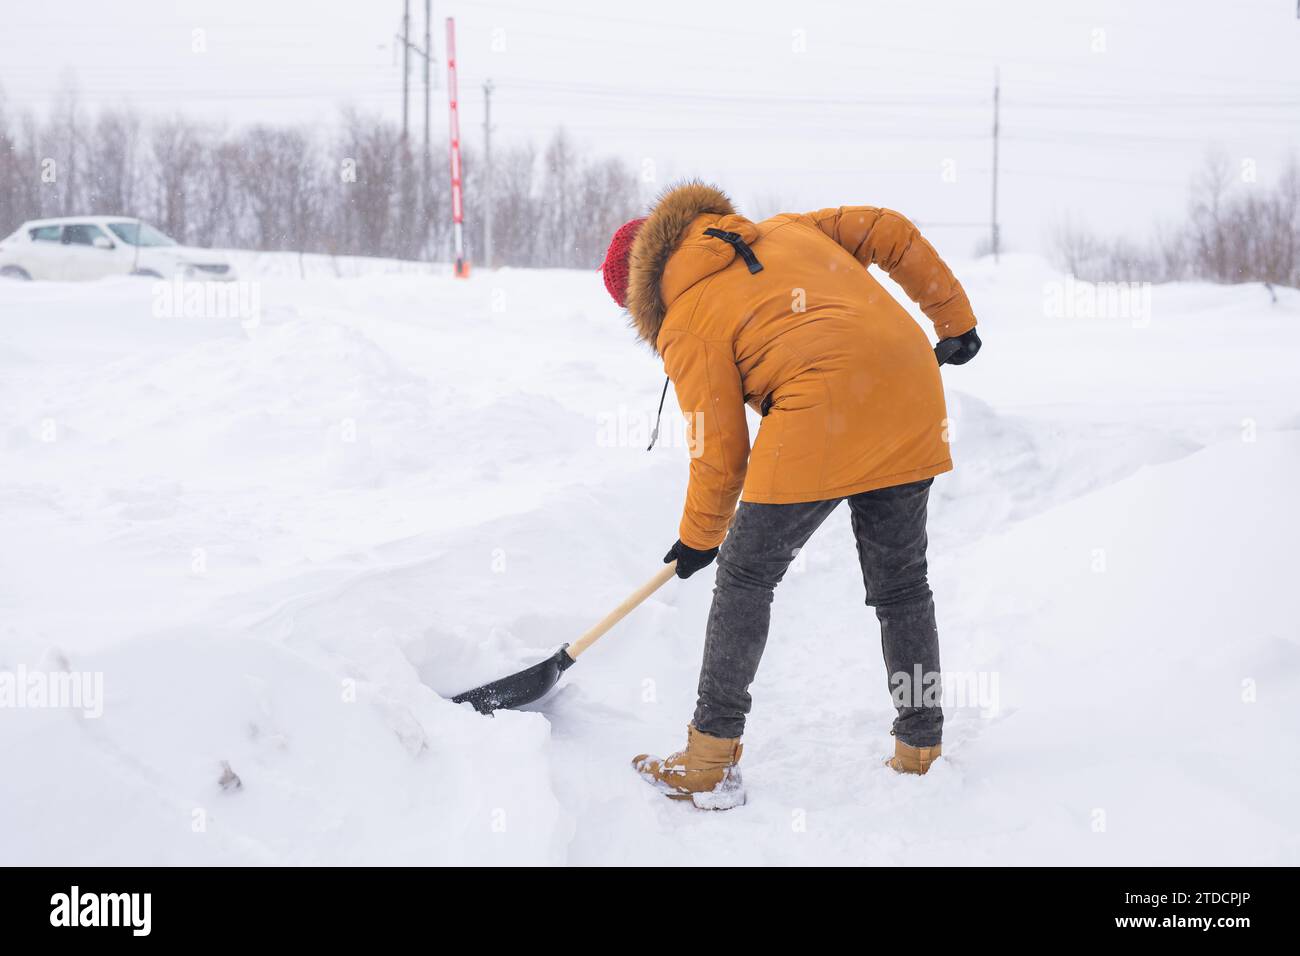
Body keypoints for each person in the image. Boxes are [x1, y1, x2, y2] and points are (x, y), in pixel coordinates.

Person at [599, 181, 981, 809]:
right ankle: (921, 751)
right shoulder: (785, 228)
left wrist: (700, 540)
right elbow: (887, 228)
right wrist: (954, 320)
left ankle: (707, 760)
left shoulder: (685, 322)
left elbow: (720, 453)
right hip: (911, 388)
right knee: (903, 584)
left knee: (746, 576)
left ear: (641, 293)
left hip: (822, 410)